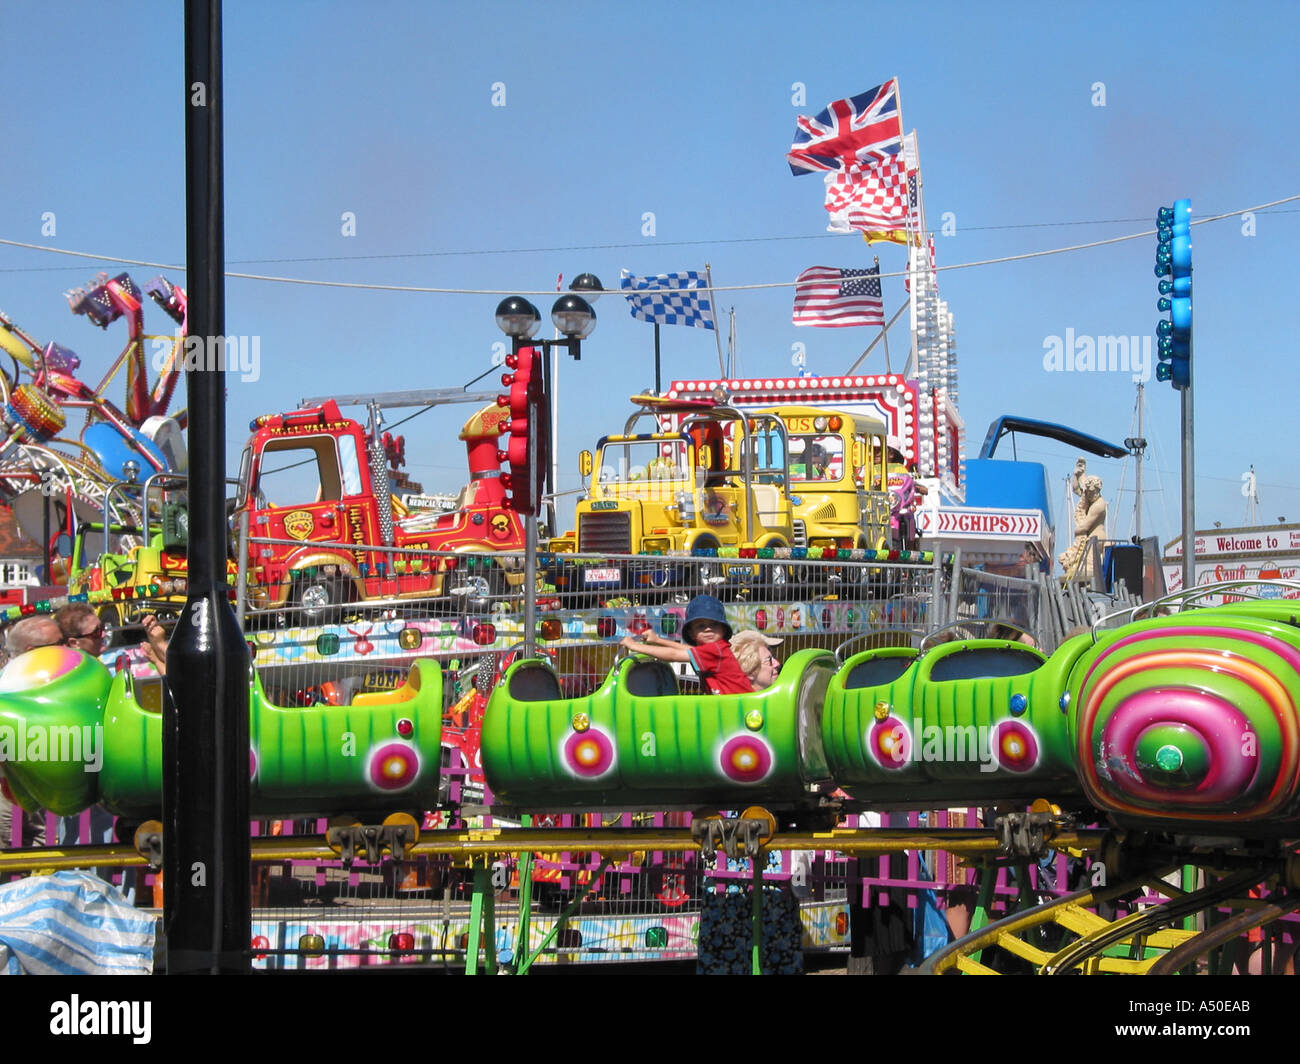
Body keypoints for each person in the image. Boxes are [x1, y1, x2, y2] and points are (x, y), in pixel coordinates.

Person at [0, 615, 63, 847]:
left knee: (48, 853)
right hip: (11, 789)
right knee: (9, 857)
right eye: (58, 643)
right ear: (30, 650)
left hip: (52, 791)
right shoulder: (7, 686)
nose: (65, 648)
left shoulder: (61, 682)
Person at [620, 594, 751, 695]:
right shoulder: (714, 649)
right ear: (692, 633)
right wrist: (658, 640)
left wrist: (635, 646)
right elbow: (690, 650)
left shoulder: (715, 649)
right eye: (701, 626)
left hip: (741, 708)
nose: (708, 629)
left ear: (723, 629)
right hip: (736, 705)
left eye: (714, 624)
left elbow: (674, 655)